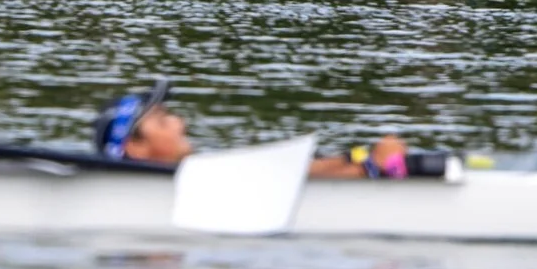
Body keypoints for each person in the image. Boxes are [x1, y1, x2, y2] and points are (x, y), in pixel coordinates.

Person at [93, 80, 412, 179]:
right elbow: (278, 182)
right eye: (163, 121)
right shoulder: (205, 179)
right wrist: (371, 169)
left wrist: (354, 158)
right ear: (136, 148)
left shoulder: (199, 171)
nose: (180, 122)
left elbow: (287, 171)